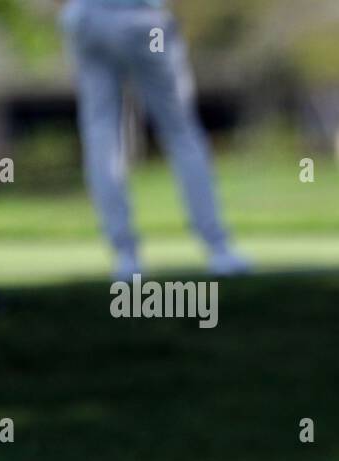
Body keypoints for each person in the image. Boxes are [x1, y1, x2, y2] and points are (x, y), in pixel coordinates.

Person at [57, 0, 250, 279]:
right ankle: (219, 249)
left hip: (86, 19)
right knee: (181, 132)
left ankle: (125, 257)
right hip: (142, 20)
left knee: (101, 135)